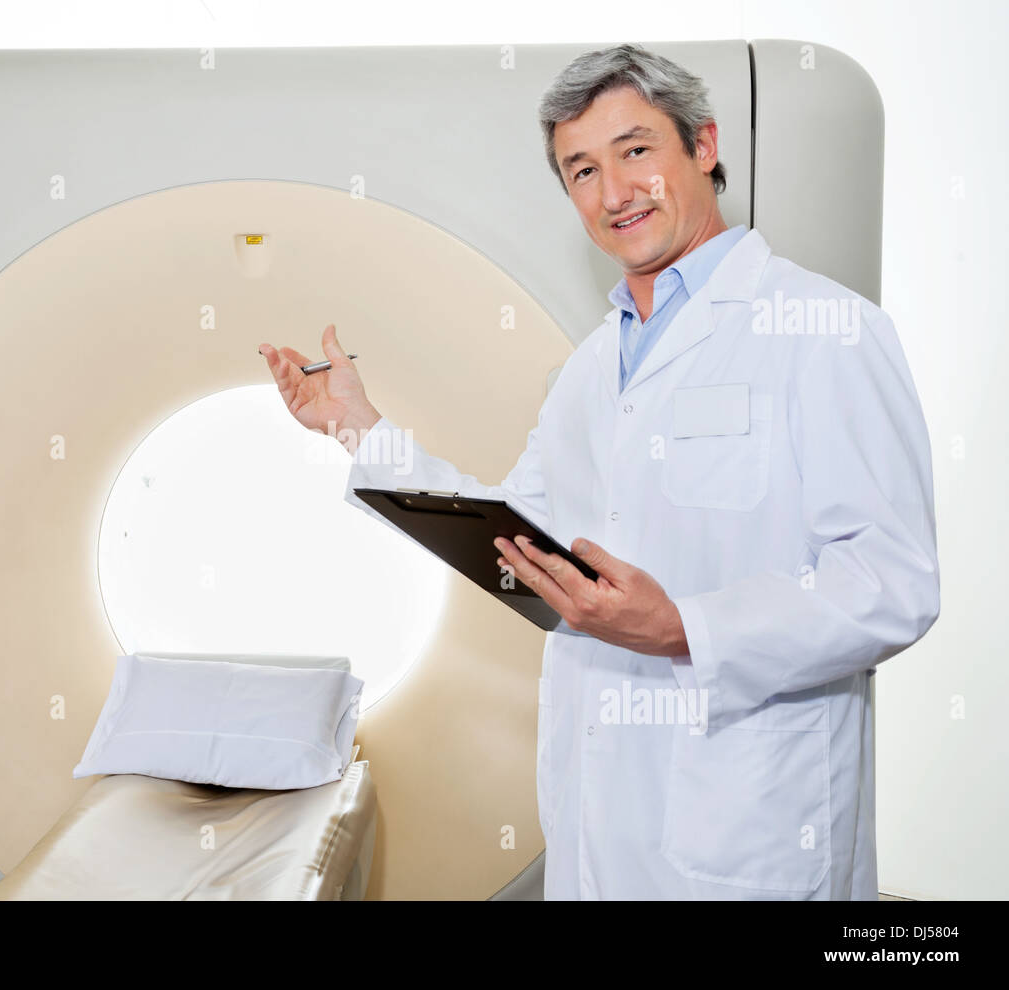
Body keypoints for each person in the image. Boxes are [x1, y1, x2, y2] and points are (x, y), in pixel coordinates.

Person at [259, 43, 939, 900]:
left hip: (752, 822)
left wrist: (685, 625)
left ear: (704, 146)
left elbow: (892, 580)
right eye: (581, 170)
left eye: (636, 150)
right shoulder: (589, 369)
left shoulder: (824, 330)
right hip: (601, 819)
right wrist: (358, 429)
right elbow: (519, 531)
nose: (613, 192)